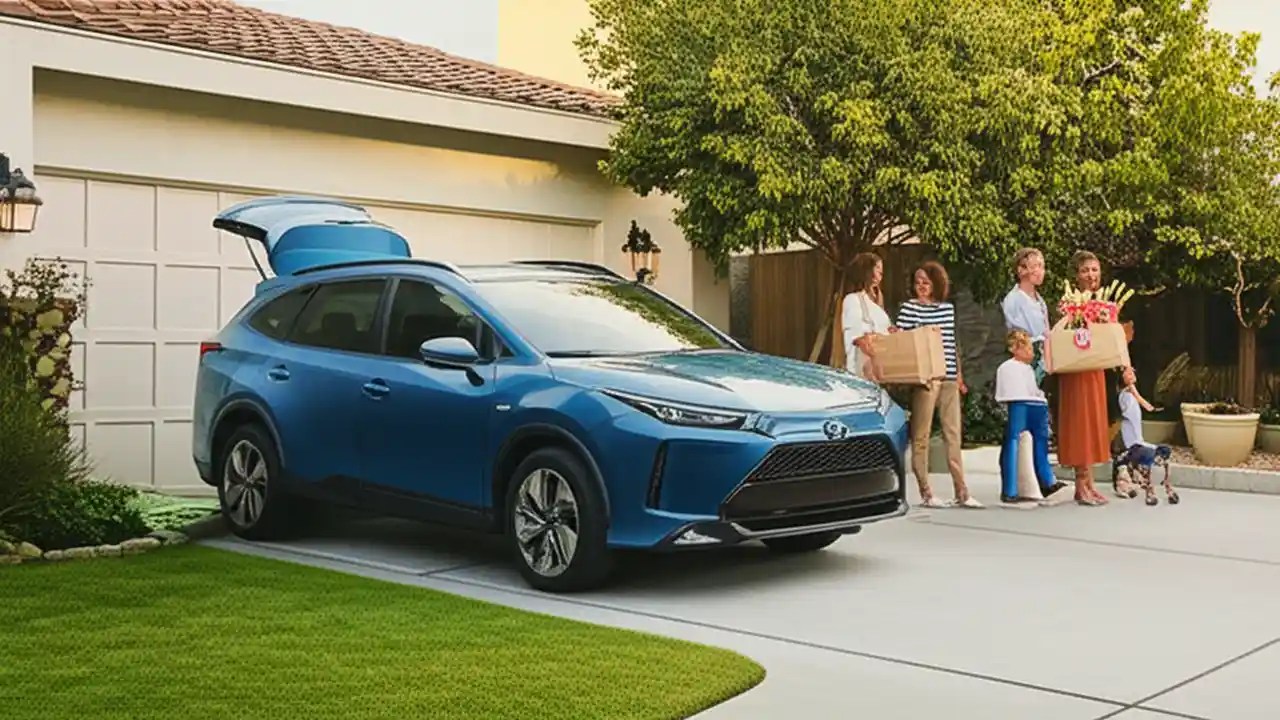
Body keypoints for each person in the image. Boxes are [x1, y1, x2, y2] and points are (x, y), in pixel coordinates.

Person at [895, 260, 981, 509]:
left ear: (936, 284)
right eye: (917, 282)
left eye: (926, 282)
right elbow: (903, 342)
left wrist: (959, 376)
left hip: (949, 377)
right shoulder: (908, 309)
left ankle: (962, 491)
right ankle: (926, 492)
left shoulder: (946, 309)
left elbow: (951, 344)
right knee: (920, 435)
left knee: (953, 434)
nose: (921, 286)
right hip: (925, 378)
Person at [999, 247, 1066, 500]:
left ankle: (1046, 478)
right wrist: (1030, 352)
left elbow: (1047, 332)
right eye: (1035, 266)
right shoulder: (1014, 300)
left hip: (1042, 358)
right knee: (1017, 428)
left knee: (1040, 424)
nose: (1040, 271)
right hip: (1026, 358)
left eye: (1042, 266)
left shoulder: (1040, 300)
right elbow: (1016, 335)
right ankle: (1011, 486)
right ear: (1021, 270)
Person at [1056, 250, 1112, 506]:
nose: (1091, 275)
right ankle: (1080, 484)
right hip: (1076, 370)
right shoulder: (1070, 302)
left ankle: (1090, 482)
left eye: (1094, 269)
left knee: (1094, 423)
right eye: (1085, 270)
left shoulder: (1103, 301)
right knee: (1080, 423)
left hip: (1096, 369)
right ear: (1076, 275)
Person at [995, 330, 1057, 506]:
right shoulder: (1006, 368)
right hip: (1019, 404)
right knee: (1013, 441)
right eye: (1026, 347)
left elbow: (1033, 389)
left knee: (1041, 440)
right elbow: (1009, 393)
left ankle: (1047, 480)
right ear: (1015, 349)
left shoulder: (1028, 369)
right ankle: (1010, 489)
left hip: (1034, 404)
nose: (1030, 352)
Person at [1116, 366, 1172, 495]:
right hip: (1132, 445)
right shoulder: (1126, 397)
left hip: (1137, 441)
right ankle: (1137, 479)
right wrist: (1134, 392)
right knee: (1151, 453)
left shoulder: (1131, 396)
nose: (1133, 372)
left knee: (1164, 451)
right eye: (1128, 372)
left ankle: (1145, 478)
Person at [841, 252, 894, 380]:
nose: (881, 273)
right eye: (877, 268)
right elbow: (854, 336)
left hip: (881, 369)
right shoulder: (853, 300)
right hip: (864, 371)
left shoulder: (876, 303)